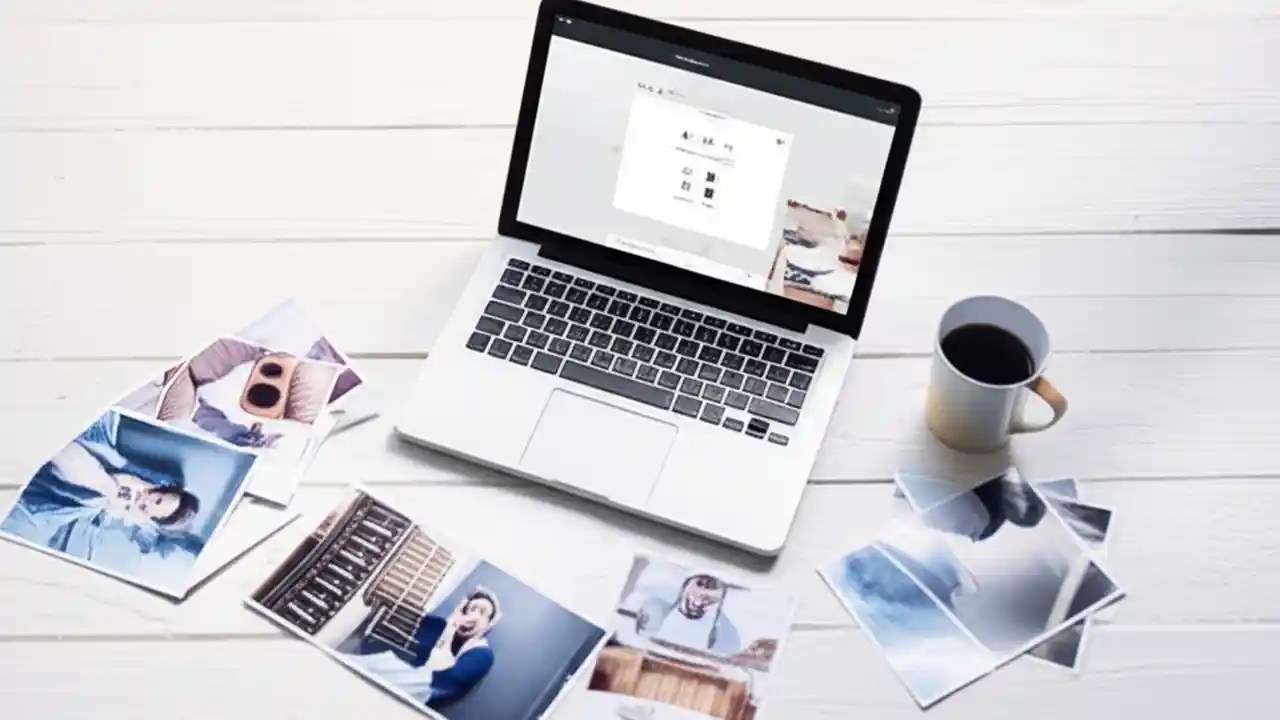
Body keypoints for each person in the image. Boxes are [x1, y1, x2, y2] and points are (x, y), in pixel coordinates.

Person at [1, 412, 201, 561]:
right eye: (158, 499)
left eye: (154, 511)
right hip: (96, 465)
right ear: (161, 489)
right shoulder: (151, 478)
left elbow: (116, 510)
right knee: (99, 487)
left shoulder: (136, 516)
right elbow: (118, 464)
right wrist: (118, 485)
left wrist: (122, 504)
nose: (149, 503)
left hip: (86, 495)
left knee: (90, 502)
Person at [345, 587, 501, 708]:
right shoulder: (439, 625)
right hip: (398, 675)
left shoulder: (483, 654)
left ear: (488, 625)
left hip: (422, 691)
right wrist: (450, 626)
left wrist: (450, 630)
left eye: (482, 612)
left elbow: (447, 680)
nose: (474, 615)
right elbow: (409, 628)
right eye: (472, 609)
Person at [636, 574, 741, 655]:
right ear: (684, 587)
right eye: (700, 584)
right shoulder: (653, 608)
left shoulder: (727, 635)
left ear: (721, 602)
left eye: (708, 600)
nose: (698, 603)